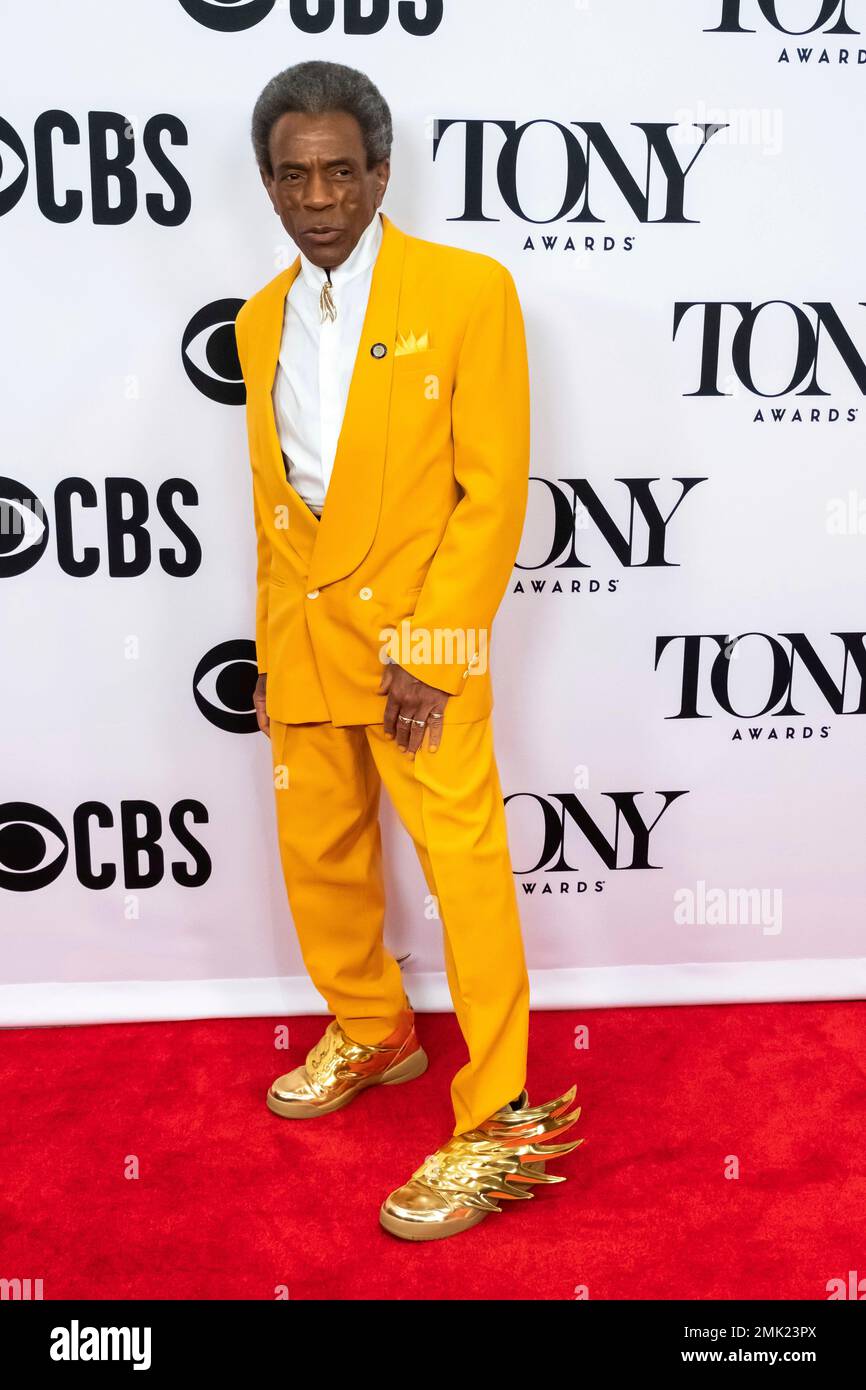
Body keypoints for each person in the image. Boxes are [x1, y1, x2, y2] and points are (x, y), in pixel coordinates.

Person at [234, 59, 582, 1242]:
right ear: (269, 187)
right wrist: (278, 641)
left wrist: (433, 650)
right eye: (294, 175)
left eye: (340, 170)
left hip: (418, 635)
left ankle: (499, 1114)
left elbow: (491, 492)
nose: (318, 194)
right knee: (319, 848)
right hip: (304, 630)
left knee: (462, 868)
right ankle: (373, 1026)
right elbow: (280, 500)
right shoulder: (256, 319)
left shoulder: (467, 290)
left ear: (380, 173)